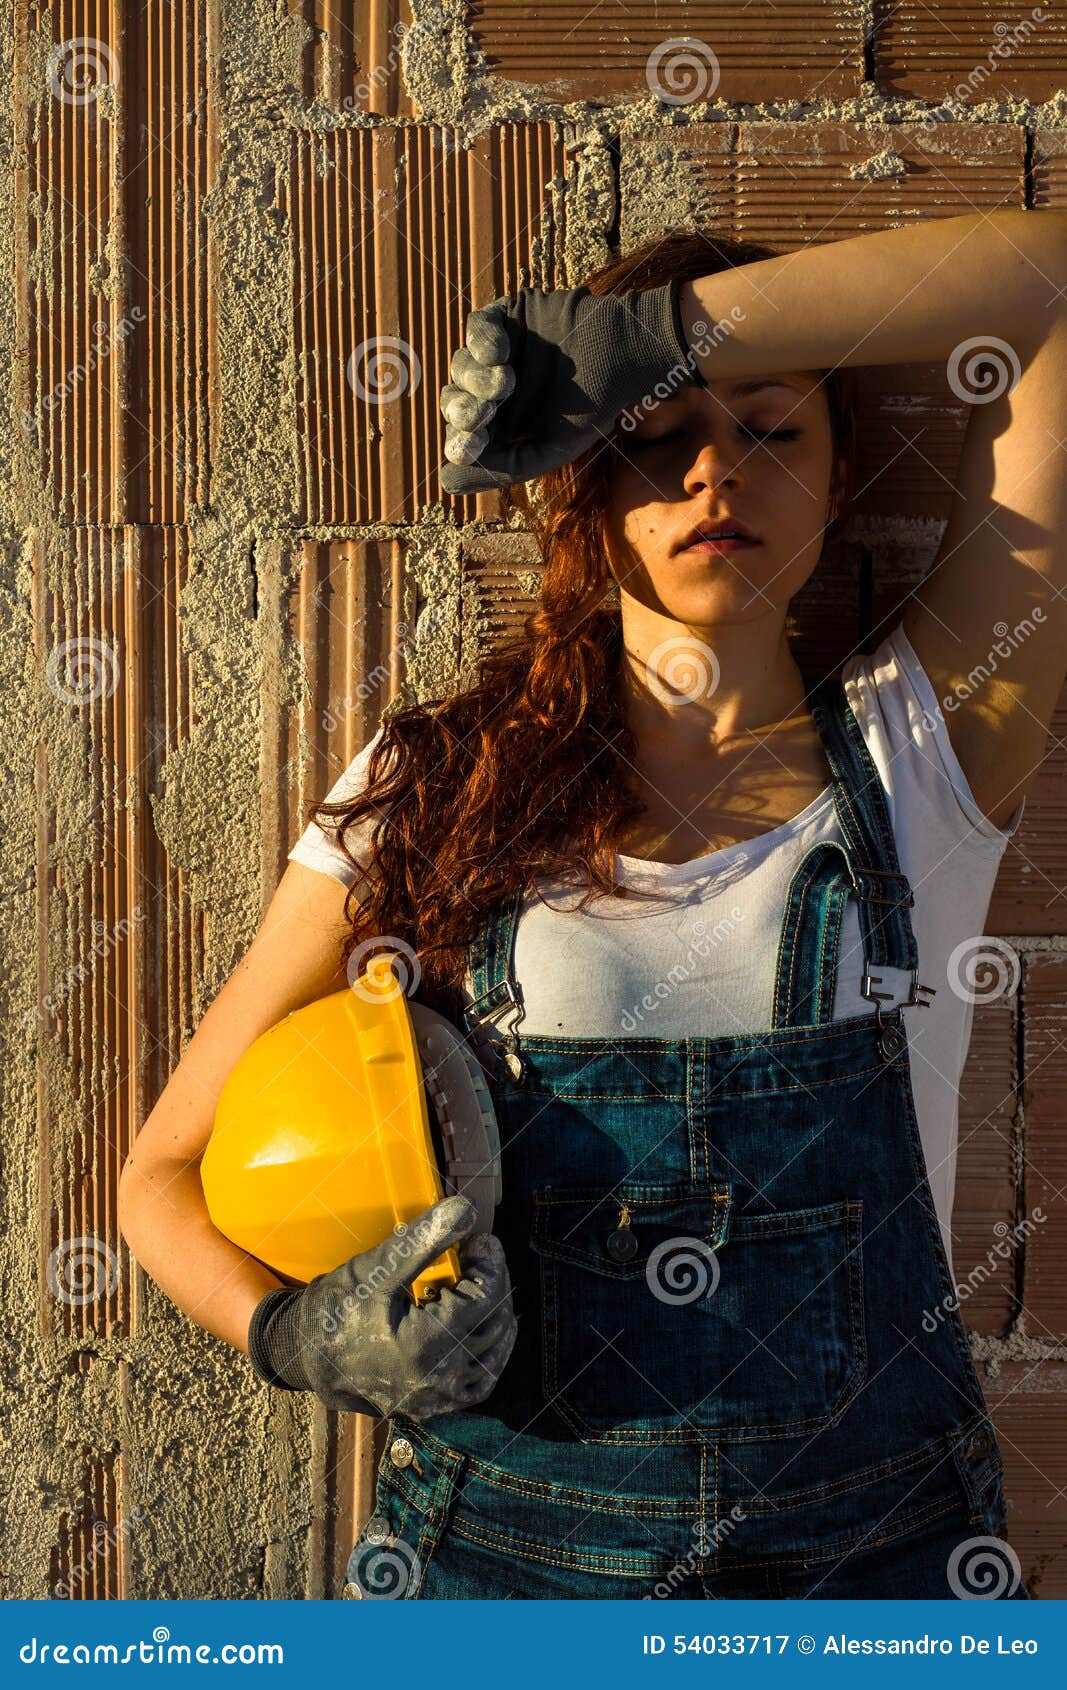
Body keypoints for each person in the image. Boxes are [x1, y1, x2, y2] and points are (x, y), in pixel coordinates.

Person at [119, 211, 1067, 1600]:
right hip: (506, 1567)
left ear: (843, 473)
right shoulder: (432, 783)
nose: (710, 468)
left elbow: (1049, 285)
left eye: (770, 429)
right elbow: (161, 1179)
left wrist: (657, 340)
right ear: (573, 483)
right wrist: (297, 1335)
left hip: (873, 1573)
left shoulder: (928, 751)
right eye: (647, 430)